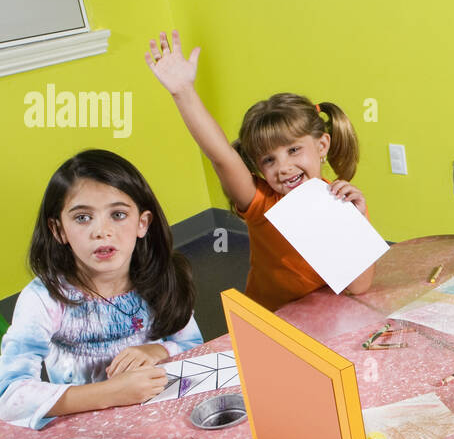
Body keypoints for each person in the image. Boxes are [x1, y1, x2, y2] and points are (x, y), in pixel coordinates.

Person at [145, 30, 373, 311]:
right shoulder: (261, 202)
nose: (283, 168)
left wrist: (357, 221)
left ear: (322, 145)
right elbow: (221, 156)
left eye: (293, 150)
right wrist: (183, 91)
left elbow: (360, 287)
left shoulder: (340, 202)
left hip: (324, 315)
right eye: (269, 160)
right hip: (272, 320)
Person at [0, 150, 202, 429]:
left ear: (142, 223)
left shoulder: (163, 276)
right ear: (58, 230)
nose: (101, 231)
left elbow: (194, 347)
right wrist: (112, 393)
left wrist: (158, 351)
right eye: (82, 218)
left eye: (117, 214)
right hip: (87, 428)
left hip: (159, 414)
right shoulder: (43, 299)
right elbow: (10, 396)